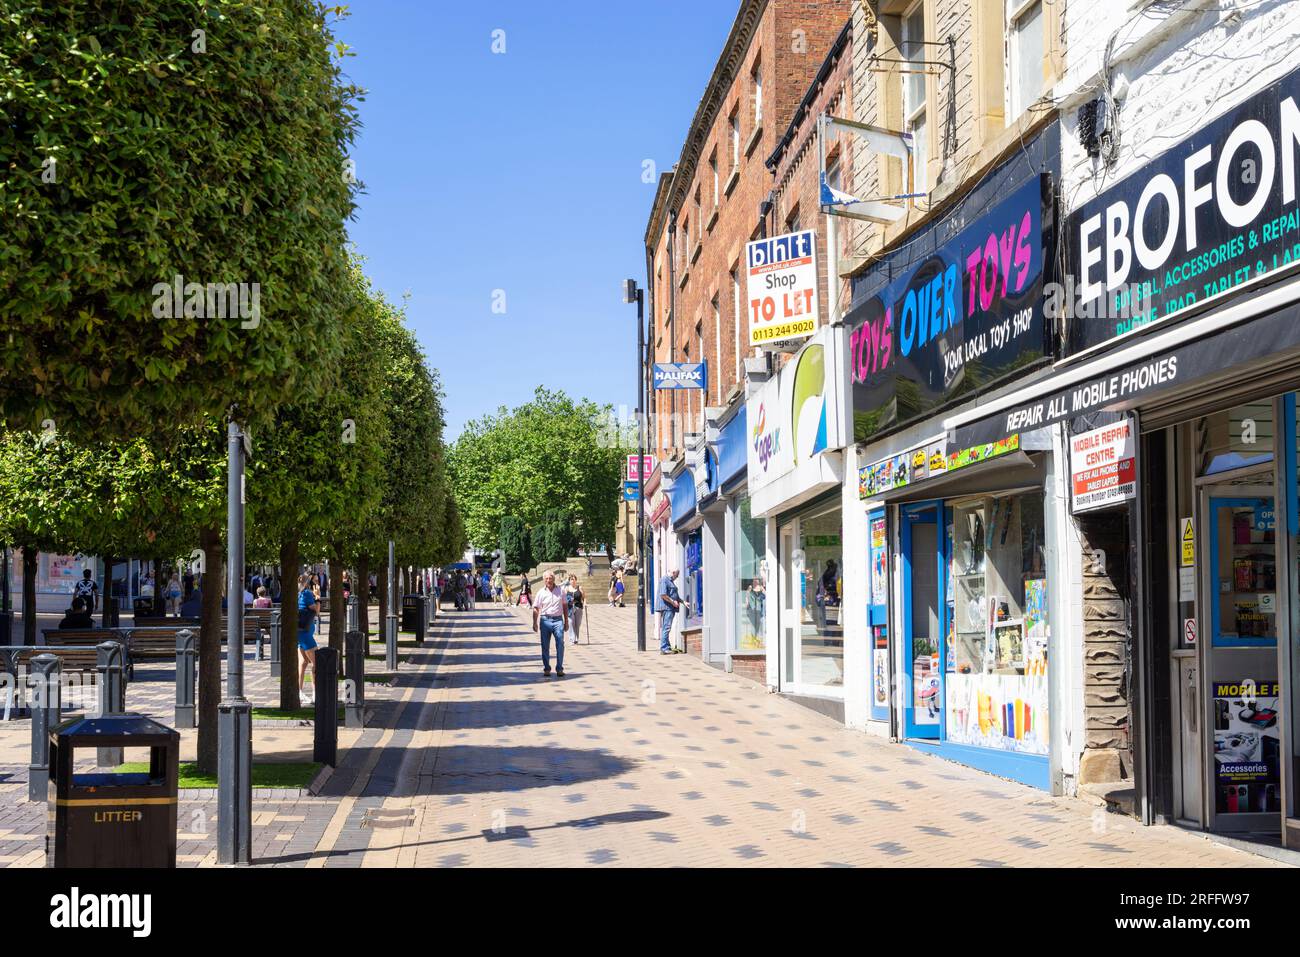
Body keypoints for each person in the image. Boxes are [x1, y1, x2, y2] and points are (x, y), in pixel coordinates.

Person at [532, 570, 570, 677]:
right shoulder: (541, 592)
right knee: (545, 645)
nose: (549, 580)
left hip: (558, 620)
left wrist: (566, 621)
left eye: (550, 578)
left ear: (554, 579)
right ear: (544, 580)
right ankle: (547, 668)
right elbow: (536, 608)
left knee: (560, 644)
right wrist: (534, 622)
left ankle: (559, 668)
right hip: (545, 620)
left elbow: (565, 606)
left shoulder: (561, 591)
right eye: (546, 579)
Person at [296, 574, 319, 702]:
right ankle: (315, 692)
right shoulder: (307, 594)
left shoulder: (298, 594)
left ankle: (299, 691)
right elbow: (317, 611)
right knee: (317, 663)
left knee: (303, 663)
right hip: (305, 634)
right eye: (314, 580)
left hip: (301, 633)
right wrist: (318, 597)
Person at [655, 569, 683, 655]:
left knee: (666, 627)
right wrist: (673, 602)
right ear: (673, 573)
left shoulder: (670, 581)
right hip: (667, 607)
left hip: (670, 607)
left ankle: (667, 646)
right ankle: (664, 648)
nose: (677, 577)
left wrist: (683, 602)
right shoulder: (665, 580)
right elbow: (663, 595)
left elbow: (675, 595)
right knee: (666, 627)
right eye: (677, 575)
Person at [563, 573, 585, 645]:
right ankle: (572, 639)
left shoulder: (580, 588)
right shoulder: (566, 589)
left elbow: (584, 597)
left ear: (576, 580)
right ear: (569, 581)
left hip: (578, 607)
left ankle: (576, 638)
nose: (573, 581)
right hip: (570, 608)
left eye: (574, 579)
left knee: (577, 624)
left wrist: (585, 603)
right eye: (571, 579)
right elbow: (564, 598)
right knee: (571, 623)